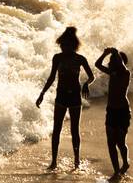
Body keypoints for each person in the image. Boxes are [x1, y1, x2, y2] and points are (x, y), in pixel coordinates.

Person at [36, 26, 94, 170]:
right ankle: (54, 161)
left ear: (72, 45)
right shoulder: (58, 57)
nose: (63, 47)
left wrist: (86, 84)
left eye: (65, 45)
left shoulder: (80, 59)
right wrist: (42, 94)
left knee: (75, 130)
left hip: (75, 97)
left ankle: (76, 161)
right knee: (56, 129)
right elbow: (51, 77)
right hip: (61, 96)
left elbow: (91, 76)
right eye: (61, 45)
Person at [95, 47, 131, 178]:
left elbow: (120, 65)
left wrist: (115, 52)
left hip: (122, 112)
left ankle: (125, 163)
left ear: (120, 62)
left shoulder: (125, 73)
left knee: (120, 142)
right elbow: (97, 64)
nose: (111, 62)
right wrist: (105, 54)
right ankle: (116, 171)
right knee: (111, 142)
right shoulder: (111, 72)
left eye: (114, 60)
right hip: (111, 111)